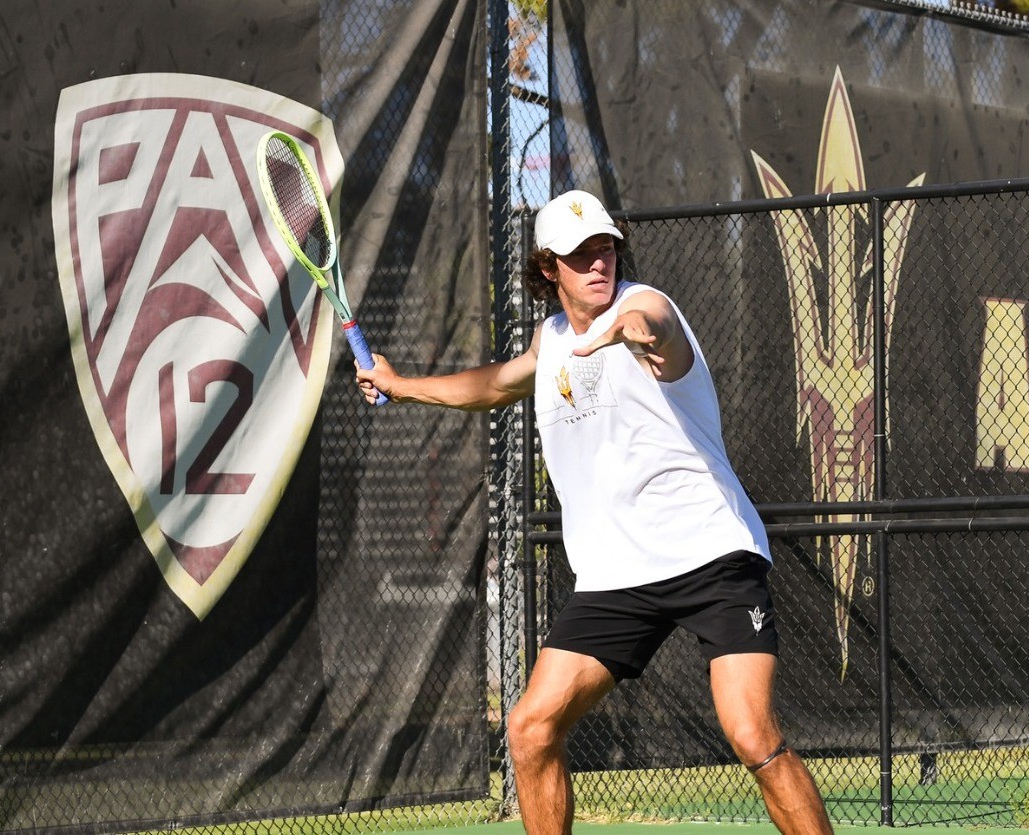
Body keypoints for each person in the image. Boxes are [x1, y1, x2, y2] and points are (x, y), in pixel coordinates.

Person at [355, 190, 834, 834]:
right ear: (548, 267)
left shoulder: (647, 304)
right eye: (580, 254)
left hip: (711, 555)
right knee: (530, 729)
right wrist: (402, 385)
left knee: (750, 732)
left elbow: (654, 325)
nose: (598, 262)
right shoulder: (550, 340)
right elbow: (494, 384)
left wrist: (629, 330)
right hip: (614, 578)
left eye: (605, 247)